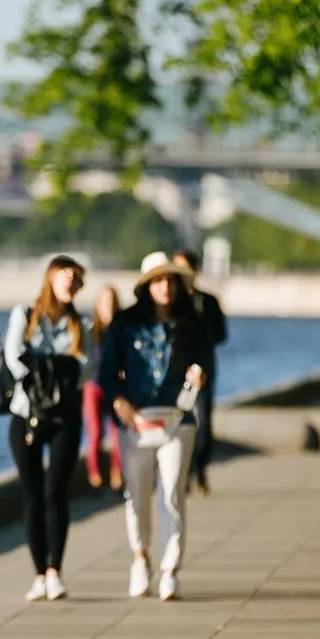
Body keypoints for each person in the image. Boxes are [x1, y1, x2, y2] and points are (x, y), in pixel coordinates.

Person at [99, 251, 215, 601]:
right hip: (136, 419)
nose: (165, 287)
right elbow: (105, 373)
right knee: (136, 496)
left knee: (172, 495)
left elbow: (205, 361)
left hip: (178, 418)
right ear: (147, 285)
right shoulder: (125, 323)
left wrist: (198, 373)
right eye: (159, 281)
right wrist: (118, 401)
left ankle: (170, 569)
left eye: (171, 281)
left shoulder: (191, 321)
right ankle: (140, 557)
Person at [4, 255, 88, 602]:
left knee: (57, 492)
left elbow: (88, 367)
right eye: (66, 276)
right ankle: (39, 573)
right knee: (33, 495)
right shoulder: (25, 315)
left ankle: (56, 571)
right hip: (26, 414)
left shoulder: (80, 323)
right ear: (51, 278)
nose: (71, 282)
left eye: (77, 279)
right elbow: (13, 358)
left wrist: (46, 368)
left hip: (66, 415)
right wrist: (55, 370)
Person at [173, 249, 227, 495]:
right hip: (176, 373)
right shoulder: (169, 301)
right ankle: (181, 473)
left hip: (203, 371)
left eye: (185, 269)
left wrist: (200, 335)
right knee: (178, 424)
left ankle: (200, 470)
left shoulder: (208, 302)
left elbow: (221, 334)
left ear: (194, 271)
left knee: (203, 423)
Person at [83, 284, 125, 491]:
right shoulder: (90, 330)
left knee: (117, 433)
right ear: (98, 305)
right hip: (94, 385)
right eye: (104, 301)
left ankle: (118, 473)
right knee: (95, 432)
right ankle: (95, 475)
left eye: (112, 301)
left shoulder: (123, 330)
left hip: (117, 388)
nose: (108, 306)